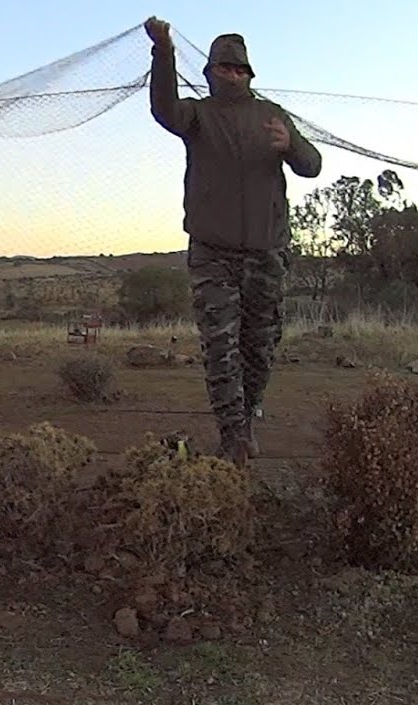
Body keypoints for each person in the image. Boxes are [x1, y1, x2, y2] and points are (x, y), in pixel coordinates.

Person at [143, 18, 323, 467]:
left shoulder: (272, 115)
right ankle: (233, 437)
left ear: (249, 75)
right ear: (210, 72)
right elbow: (163, 108)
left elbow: (313, 165)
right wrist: (162, 51)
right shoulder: (197, 115)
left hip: (266, 252)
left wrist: (292, 145)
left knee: (259, 347)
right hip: (212, 252)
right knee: (221, 346)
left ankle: (246, 422)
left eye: (240, 69)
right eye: (225, 67)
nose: (233, 75)